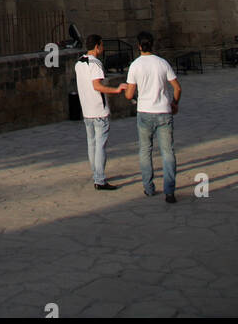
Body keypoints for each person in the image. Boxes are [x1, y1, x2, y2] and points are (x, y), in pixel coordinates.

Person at [122, 31, 181, 203]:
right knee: (168, 152)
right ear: (152, 44)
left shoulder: (135, 65)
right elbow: (177, 88)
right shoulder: (162, 63)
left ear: (139, 46)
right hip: (163, 111)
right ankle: (169, 191)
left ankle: (148, 188)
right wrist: (174, 103)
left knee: (145, 151)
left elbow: (129, 94)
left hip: (144, 112)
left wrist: (129, 93)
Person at [74, 34, 125, 190]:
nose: (103, 49)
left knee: (92, 144)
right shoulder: (95, 64)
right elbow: (97, 85)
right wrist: (116, 90)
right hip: (98, 110)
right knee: (100, 146)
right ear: (97, 46)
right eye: (102, 45)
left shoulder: (78, 63)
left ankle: (96, 174)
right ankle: (100, 179)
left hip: (87, 110)